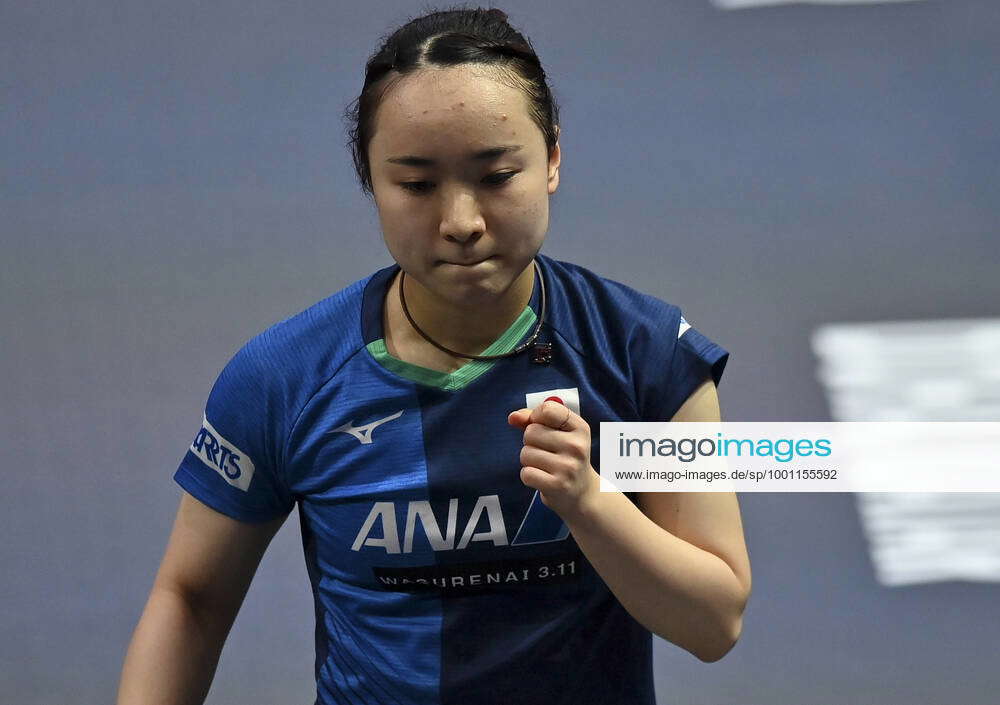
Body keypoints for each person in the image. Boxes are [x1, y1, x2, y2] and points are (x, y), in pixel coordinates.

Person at [117, 6, 751, 705]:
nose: (461, 223)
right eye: (417, 185)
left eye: (497, 174)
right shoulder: (284, 379)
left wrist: (591, 501)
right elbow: (191, 599)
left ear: (553, 162)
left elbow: (714, 619)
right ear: (371, 182)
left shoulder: (645, 358)